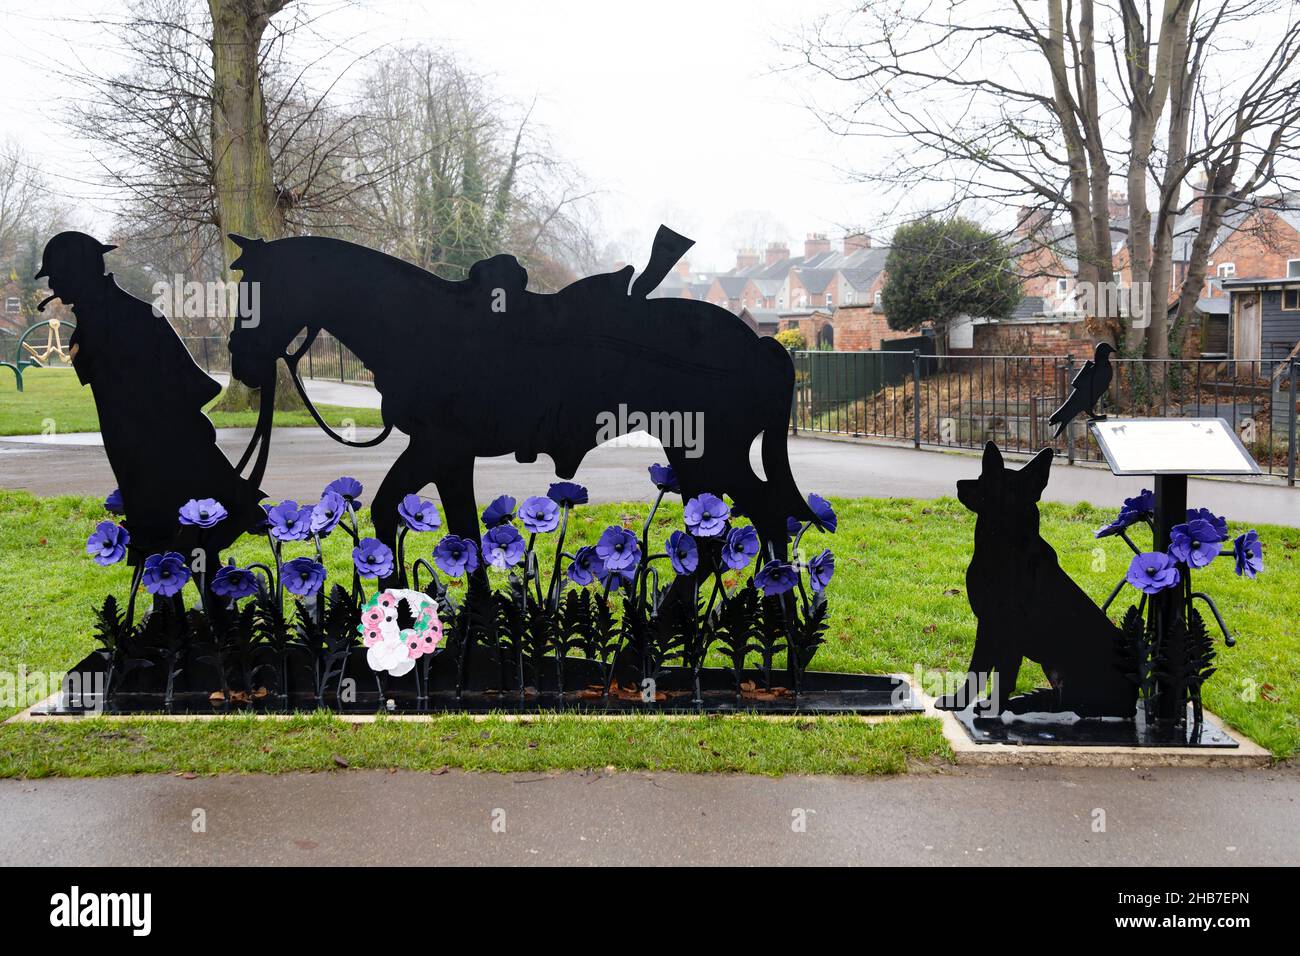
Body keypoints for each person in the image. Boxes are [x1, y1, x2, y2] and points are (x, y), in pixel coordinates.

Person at [35, 232, 264, 563]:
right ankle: (177, 605)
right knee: (172, 545)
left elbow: (176, 386)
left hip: (159, 455)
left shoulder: (122, 319)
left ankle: (200, 601)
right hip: (139, 454)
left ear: (76, 272)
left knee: (184, 538)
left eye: (57, 274)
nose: (53, 283)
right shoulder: (97, 321)